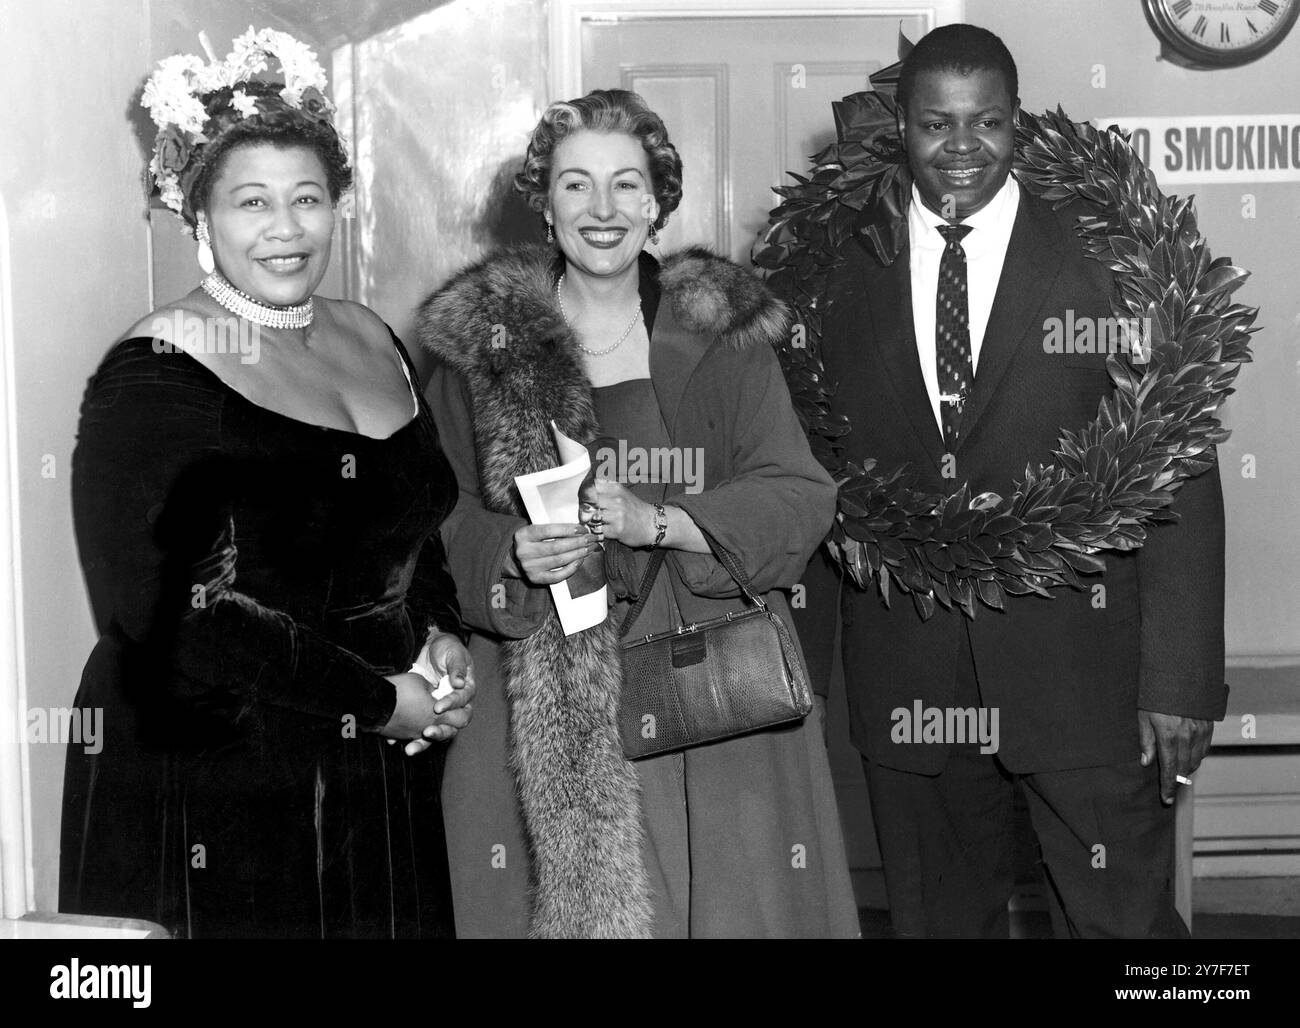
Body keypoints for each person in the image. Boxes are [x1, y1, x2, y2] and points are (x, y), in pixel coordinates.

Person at [796, 24, 1225, 938]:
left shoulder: (1108, 259)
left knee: (1126, 928)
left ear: (1018, 123)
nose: (961, 148)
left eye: (986, 122)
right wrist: (805, 680)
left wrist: (1182, 680)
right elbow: (807, 477)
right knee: (937, 923)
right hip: (908, 670)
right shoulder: (833, 272)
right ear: (898, 128)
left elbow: (1179, 462)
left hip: (1086, 677)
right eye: (934, 124)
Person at [59, 28, 474, 938]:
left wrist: (439, 632)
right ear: (197, 216)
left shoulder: (370, 333)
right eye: (252, 203)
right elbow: (174, 609)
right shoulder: (157, 369)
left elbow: (415, 521)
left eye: (308, 199)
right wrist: (380, 699)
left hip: (373, 743)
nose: (286, 229)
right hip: (226, 758)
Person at [417, 89, 859, 938]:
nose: (603, 209)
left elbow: (797, 492)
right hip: (541, 686)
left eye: (627, 184)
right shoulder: (481, 352)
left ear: (658, 202)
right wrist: (510, 555)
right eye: (576, 185)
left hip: (706, 682)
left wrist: (657, 521)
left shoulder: (720, 334)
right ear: (543, 204)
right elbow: (437, 516)